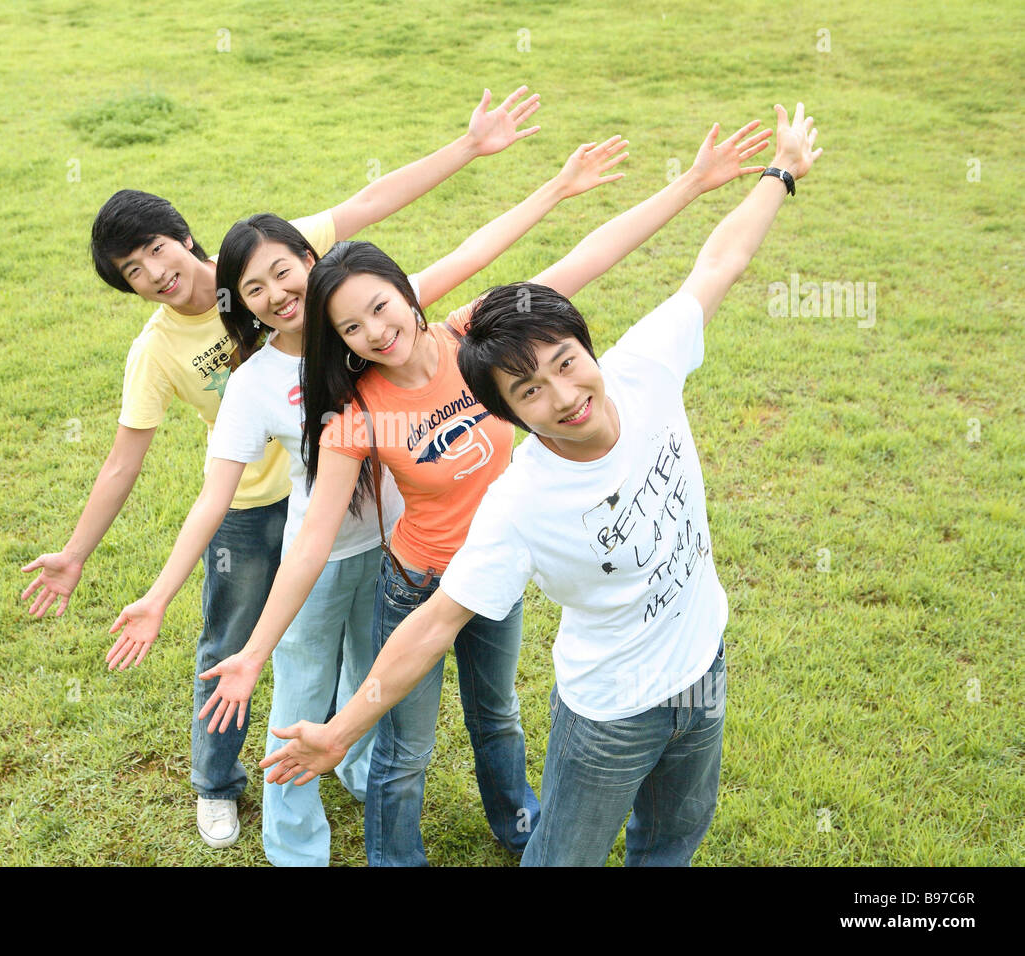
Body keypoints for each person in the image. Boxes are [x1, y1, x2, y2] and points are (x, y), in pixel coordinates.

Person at [201, 114, 777, 865]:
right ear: (339, 343)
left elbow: (583, 259)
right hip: (417, 588)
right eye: (351, 329)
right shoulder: (352, 413)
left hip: (495, 571)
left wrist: (691, 183)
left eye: (380, 307)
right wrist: (252, 650)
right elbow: (311, 541)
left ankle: (519, 827)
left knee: (499, 714)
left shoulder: (473, 343)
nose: (375, 333)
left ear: (406, 296)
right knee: (405, 754)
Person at [18, 87, 545, 848]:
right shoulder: (237, 369)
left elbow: (408, 226)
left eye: (156, 250)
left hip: (389, 537)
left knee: (370, 675)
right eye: (133, 270)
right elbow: (156, 477)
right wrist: (146, 586)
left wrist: (472, 151)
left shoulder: (346, 319)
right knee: (253, 659)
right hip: (290, 529)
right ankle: (248, 807)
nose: (154, 271)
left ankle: (355, 766)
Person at [103, 136, 630, 865]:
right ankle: (293, 844)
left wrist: (554, 189)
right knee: (306, 693)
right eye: (254, 291)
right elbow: (218, 501)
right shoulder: (260, 381)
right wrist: (166, 599)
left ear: (312, 266)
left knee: (376, 692)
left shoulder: (376, 327)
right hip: (325, 564)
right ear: (240, 302)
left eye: (284, 274)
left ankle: (385, 781)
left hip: (401, 545)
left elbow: (481, 253)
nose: (275, 296)